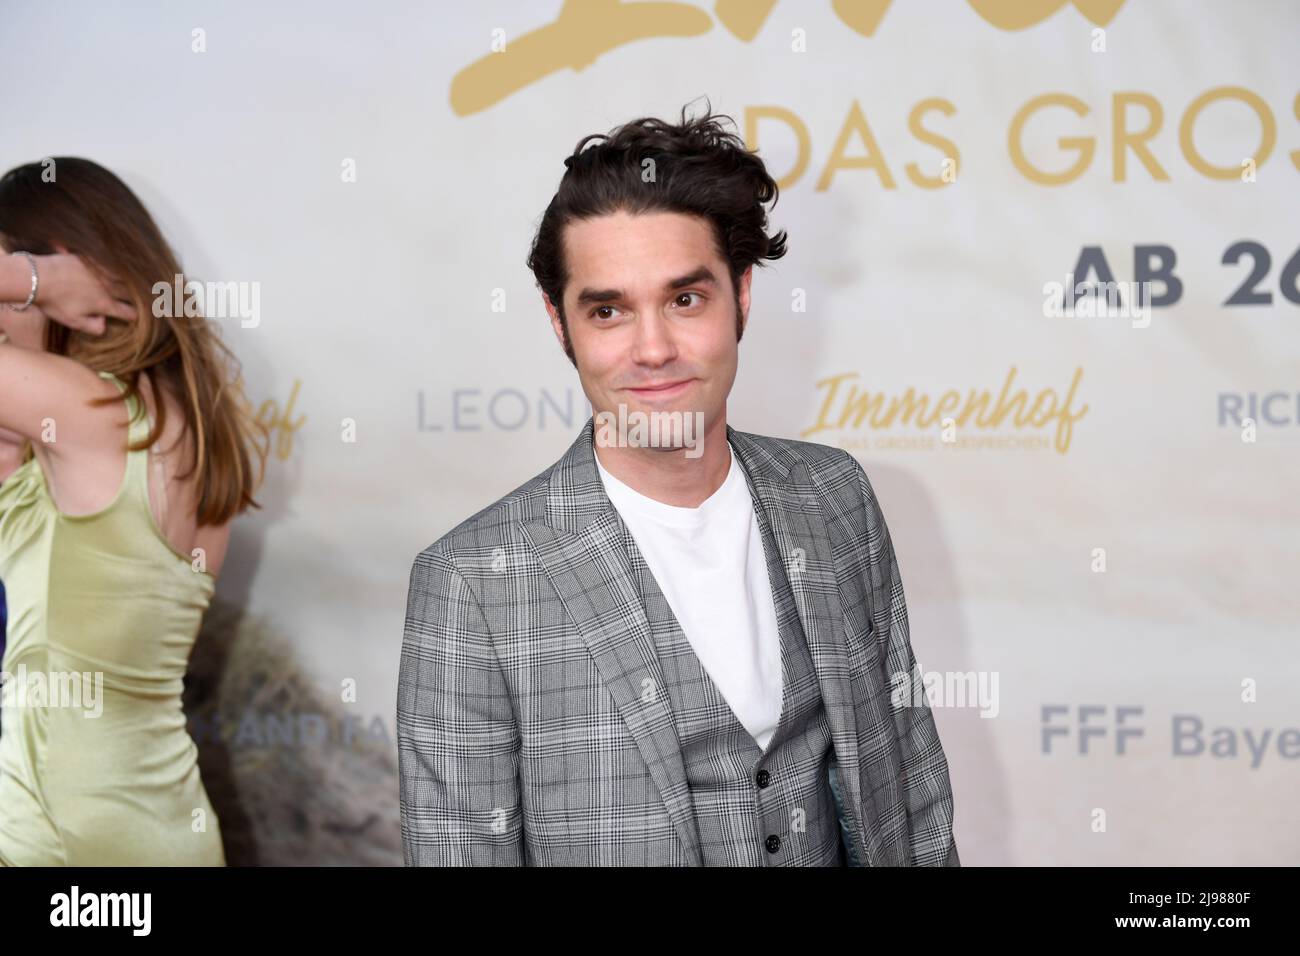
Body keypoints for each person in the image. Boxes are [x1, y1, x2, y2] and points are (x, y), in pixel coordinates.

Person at [397, 103, 959, 866]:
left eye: (685, 299)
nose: (653, 348)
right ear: (560, 325)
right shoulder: (472, 582)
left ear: (743, 297)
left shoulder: (835, 497)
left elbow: (913, 792)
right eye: (608, 311)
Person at [0, 157, 267, 865]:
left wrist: (36, 279)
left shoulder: (81, 410)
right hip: (167, 825)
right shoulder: (193, 427)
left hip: (63, 840)